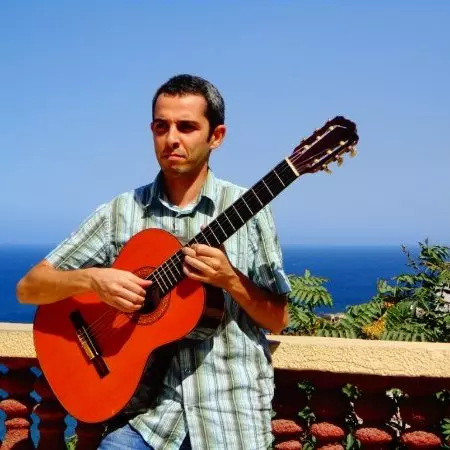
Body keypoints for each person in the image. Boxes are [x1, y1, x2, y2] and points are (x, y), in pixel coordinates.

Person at [17, 74, 291, 450]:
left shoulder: (249, 211)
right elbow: (29, 287)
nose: (172, 138)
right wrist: (94, 280)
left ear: (217, 136)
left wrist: (230, 279)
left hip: (230, 418)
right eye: (162, 127)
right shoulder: (122, 213)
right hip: (149, 421)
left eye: (187, 127)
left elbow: (277, 318)